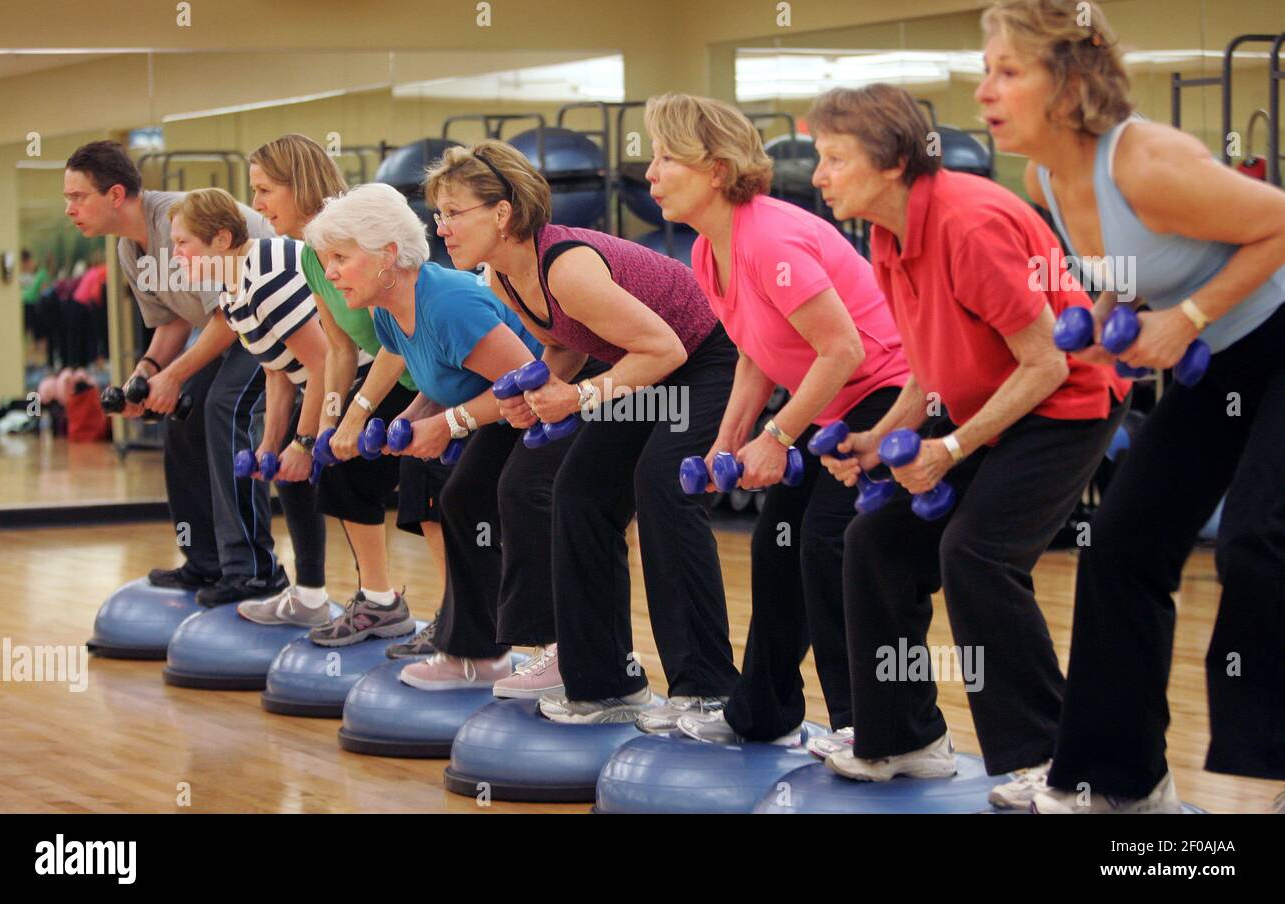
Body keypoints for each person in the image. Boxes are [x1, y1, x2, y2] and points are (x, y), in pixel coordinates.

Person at [973, 0, 1285, 814]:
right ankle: (1119, 782)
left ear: (1069, 82)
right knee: (1120, 546)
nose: (984, 92)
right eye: (986, 70)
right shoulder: (1045, 174)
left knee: (1258, 539)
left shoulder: (1145, 160)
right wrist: (1117, 319)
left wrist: (1186, 318)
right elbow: (1128, 264)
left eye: (1008, 71)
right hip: (1224, 353)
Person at [808, 82, 1129, 810]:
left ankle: (1059, 764)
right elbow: (929, 363)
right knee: (876, 544)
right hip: (991, 406)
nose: (819, 175)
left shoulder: (968, 222)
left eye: (834, 158)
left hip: (1063, 405)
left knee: (976, 553)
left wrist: (946, 449)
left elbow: (1047, 362)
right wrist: (881, 437)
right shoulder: (889, 231)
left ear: (891, 163)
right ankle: (904, 738)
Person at [425, 140, 741, 724]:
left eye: (454, 212)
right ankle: (607, 683)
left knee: (663, 488)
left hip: (708, 354)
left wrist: (578, 397)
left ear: (502, 213)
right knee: (579, 491)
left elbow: (666, 347)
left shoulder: (567, 266)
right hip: (645, 362)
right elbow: (567, 340)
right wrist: (536, 395)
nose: (442, 227)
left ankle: (708, 689)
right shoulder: (502, 277)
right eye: (438, 215)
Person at [642, 93, 909, 751]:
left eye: (666, 156)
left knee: (826, 544)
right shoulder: (710, 251)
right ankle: (760, 713)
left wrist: (778, 435)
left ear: (716, 168)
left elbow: (843, 349)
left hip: (892, 394)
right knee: (777, 542)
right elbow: (755, 357)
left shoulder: (768, 237)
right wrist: (726, 443)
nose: (649, 173)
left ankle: (863, 725)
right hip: (838, 402)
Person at [304, 182, 577, 691]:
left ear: (388, 255)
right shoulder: (387, 310)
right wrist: (410, 420)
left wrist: (446, 426)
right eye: (327, 259)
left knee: (522, 498)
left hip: (562, 405)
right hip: (508, 410)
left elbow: (536, 386)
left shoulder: (449, 303)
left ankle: (565, 654)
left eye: (341, 257)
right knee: (461, 499)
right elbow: (439, 378)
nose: (332, 272)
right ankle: (477, 654)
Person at [64, 141, 287, 606]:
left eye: (78, 197)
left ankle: (255, 570)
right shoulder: (130, 249)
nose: (70, 209)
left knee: (222, 407)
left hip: (273, 318)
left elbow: (228, 314)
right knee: (183, 418)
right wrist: (143, 378)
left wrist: (175, 376)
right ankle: (205, 562)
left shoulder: (177, 223)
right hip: (233, 328)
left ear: (116, 194)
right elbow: (173, 322)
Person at [244, 134, 439, 645]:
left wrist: (357, 414)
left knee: (436, 499)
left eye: (266, 190)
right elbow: (338, 350)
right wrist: (327, 424)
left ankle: (463, 617)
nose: (258, 205)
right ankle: (379, 602)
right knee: (342, 471)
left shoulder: (357, 242)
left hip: (434, 373)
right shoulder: (311, 256)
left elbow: (396, 342)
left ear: (299, 185)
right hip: (396, 376)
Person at [166, 188, 332, 624]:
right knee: (294, 482)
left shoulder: (266, 274)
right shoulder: (232, 294)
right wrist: (271, 447)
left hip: (362, 379)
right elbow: (278, 373)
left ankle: (376, 599)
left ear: (221, 239)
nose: (175, 255)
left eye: (183, 244)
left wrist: (305, 441)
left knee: (346, 486)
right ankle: (311, 597)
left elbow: (324, 364)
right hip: (326, 381)